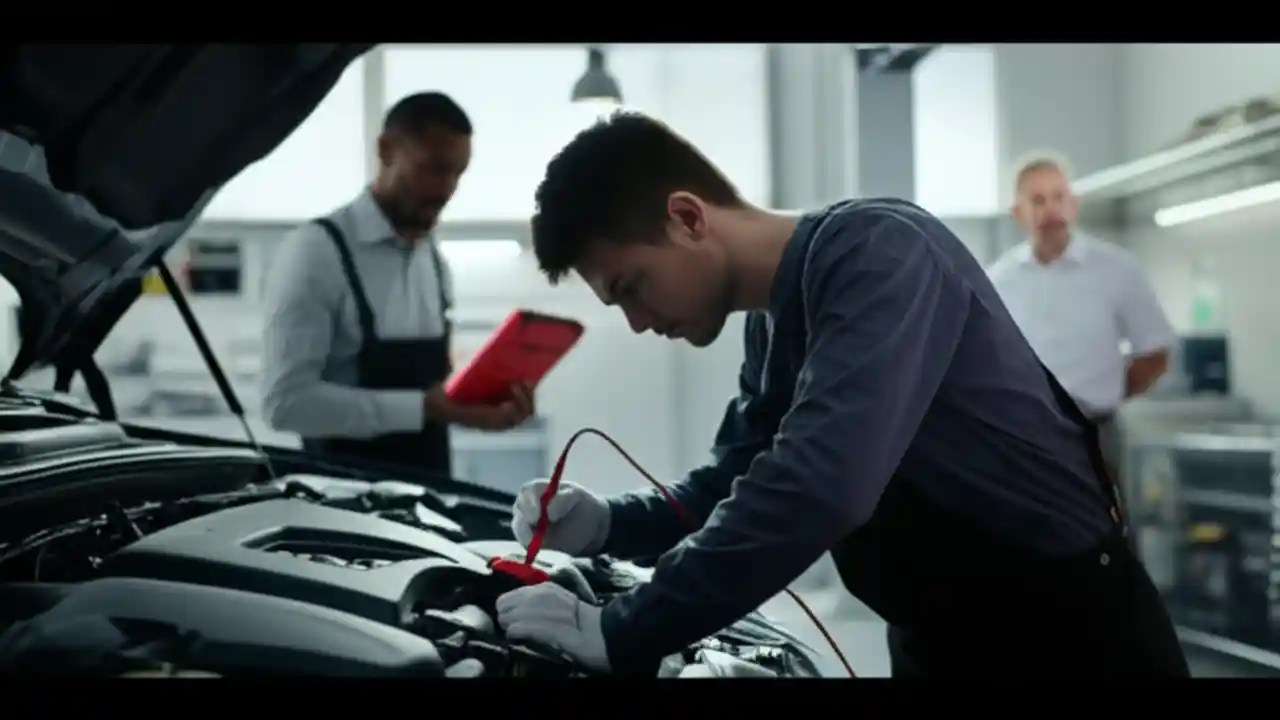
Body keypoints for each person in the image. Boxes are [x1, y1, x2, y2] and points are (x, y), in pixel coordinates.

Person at [492, 112, 1190, 677]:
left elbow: (820, 483)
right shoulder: (772, 327)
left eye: (631, 288)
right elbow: (733, 481)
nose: (639, 322)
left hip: (1065, 638)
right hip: (939, 639)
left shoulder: (881, 254)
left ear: (688, 218)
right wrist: (611, 523)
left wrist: (625, 629)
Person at [261, 92, 535, 481]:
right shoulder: (316, 251)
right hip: (345, 511)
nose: (446, 190)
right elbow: (285, 404)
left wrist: (480, 408)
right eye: (434, 169)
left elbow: (437, 397)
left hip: (433, 502)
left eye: (458, 173)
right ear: (386, 150)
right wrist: (426, 408)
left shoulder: (433, 260)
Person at [987, 153, 1175, 493]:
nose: (1050, 209)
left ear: (1073, 204)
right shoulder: (998, 281)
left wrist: (1106, 394)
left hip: (1096, 434)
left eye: (1058, 197)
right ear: (1018, 212)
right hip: (1024, 437)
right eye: (1037, 200)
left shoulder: (1118, 270)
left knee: (1106, 534)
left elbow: (1154, 353)